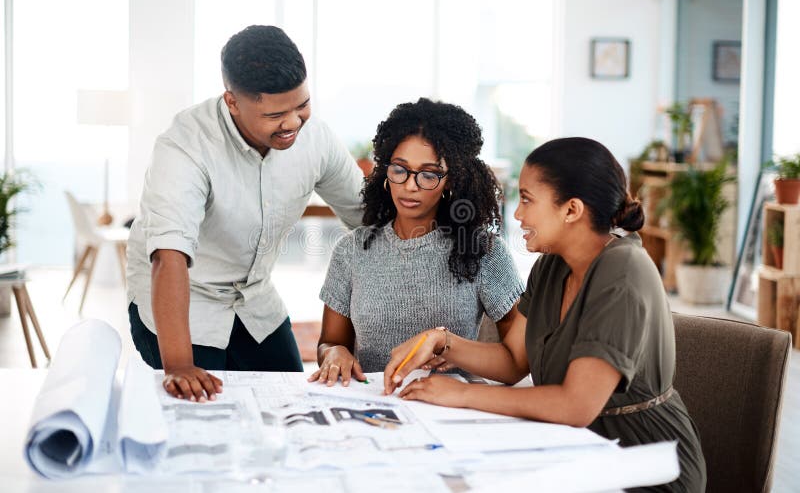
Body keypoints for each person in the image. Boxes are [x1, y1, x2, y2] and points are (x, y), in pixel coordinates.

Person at [383, 137, 706, 492]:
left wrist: (460, 394)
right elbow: (513, 362)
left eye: (526, 199)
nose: (517, 214)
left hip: (641, 464)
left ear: (571, 209)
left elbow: (575, 405)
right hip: (571, 450)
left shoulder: (623, 271)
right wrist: (440, 341)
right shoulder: (551, 266)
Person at [126, 25, 364, 402]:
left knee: (291, 400)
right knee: (200, 406)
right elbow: (169, 257)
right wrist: (179, 367)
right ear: (232, 102)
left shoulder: (316, 138)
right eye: (275, 114)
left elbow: (368, 215)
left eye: (302, 105)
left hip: (254, 299)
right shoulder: (185, 145)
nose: (293, 123)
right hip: (185, 297)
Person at [308, 98, 524, 386]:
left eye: (429, 174)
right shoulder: (352, 250)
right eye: (400, 170)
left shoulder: (484, 251)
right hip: (375, 402)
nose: (410, 186)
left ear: (451, 179)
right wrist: (334, 353)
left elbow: (517, 363)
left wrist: (449, 345)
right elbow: (331, 342)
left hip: (451, 405)